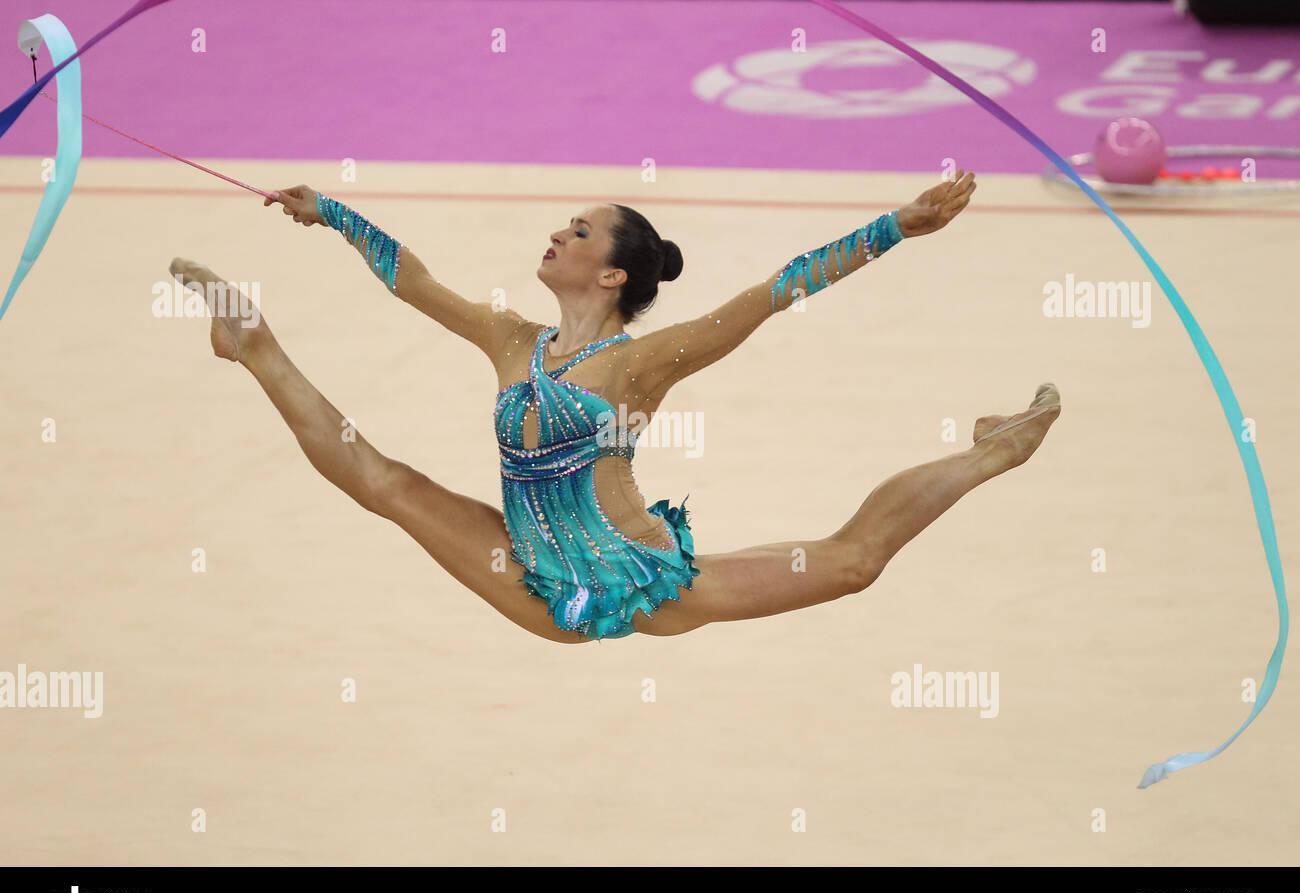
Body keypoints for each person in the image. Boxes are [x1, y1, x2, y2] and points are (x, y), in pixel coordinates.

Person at [167, 169, 1059, 644]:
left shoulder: (642, 364)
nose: (557, 234)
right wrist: (331, 213)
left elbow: (778, 290)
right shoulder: (510, 338)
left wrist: (895, 227)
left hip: (635, 583)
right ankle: (252, 342)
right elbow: (413, 282)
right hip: (530, 574)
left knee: (853, 563)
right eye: (565, 225)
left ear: (612, 275)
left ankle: (996, 449)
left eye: (580, 231)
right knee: (386, 483)